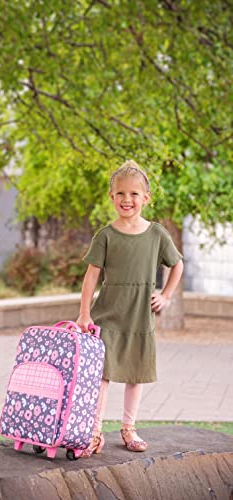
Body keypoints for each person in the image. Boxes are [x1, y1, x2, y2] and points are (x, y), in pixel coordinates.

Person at [76, 160, 184, 457]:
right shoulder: (105, 236)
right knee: (102, 375)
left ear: (146, 198)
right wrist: (85, 314)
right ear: (112, 197)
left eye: (134, 194)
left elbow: (177, 265)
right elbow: (91, 276)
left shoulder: (158, 234)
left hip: (139, 317)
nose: (127, 199)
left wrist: (166, 295)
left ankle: (128, 428)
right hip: (107, 316)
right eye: (121, 194)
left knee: (135, 374)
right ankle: (94, 432)